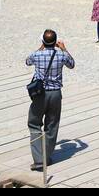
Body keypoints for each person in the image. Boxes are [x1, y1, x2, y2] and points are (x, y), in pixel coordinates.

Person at [24, 29, 74, 172]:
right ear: (56, 41)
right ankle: (46, 157)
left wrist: (41, 47)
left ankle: (39, 160)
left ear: (43, 42)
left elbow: (27, 61)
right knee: (52, 126)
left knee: (34, 124)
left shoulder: (37, 54)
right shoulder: (61, 55)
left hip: (40, 94)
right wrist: (64, 49)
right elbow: (72, 64)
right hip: (56, 94)